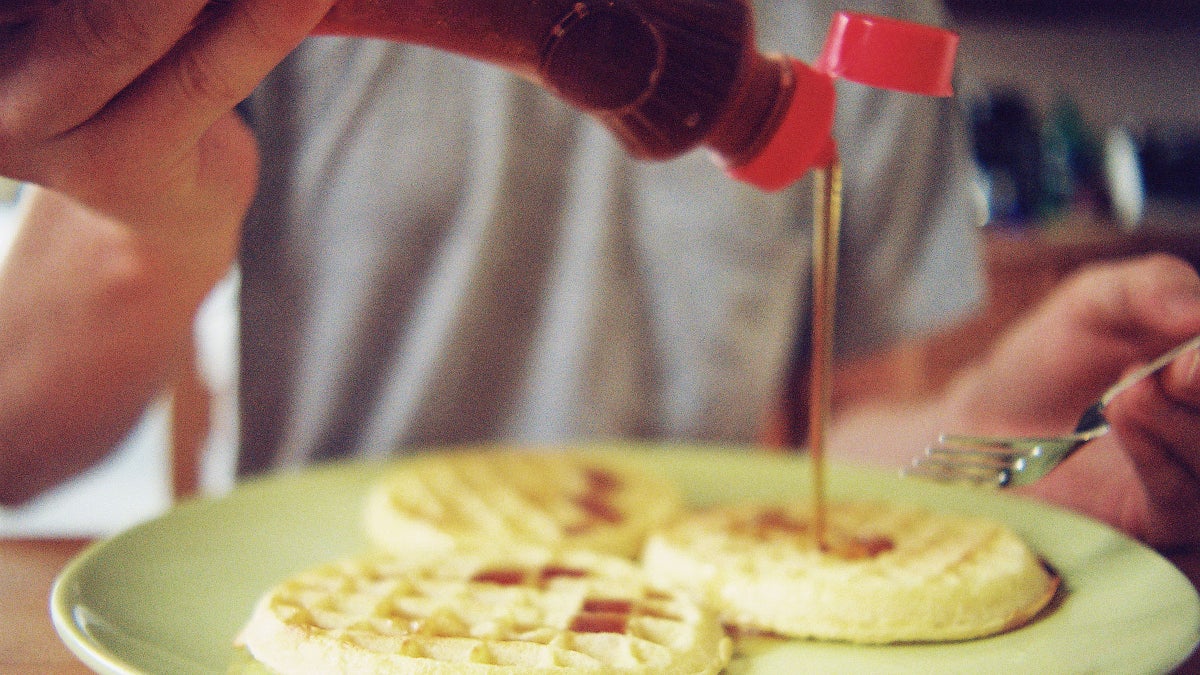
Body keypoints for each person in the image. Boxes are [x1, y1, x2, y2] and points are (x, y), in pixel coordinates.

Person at [0, 0, 1197, 560]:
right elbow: (15, 448)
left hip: (684, 628)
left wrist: (986, 434)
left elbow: (833, 451)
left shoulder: (871, 30)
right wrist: (147, 232)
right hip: (309, 612)